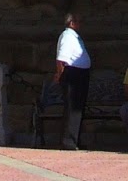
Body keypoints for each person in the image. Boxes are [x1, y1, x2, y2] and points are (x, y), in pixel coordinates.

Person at [53, 11, 91, 150]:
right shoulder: (67, 36)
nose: (80, 24)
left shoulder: (74, 36)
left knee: (78, 108)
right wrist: (60, 74)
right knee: (72, 108)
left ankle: (75, 139)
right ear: (72, 23)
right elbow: (61, 59)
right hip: (72, 74)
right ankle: (68, 140)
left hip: (80, 74)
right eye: (78, 21)